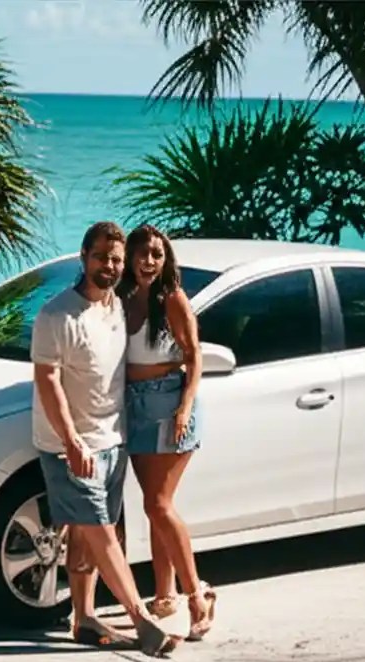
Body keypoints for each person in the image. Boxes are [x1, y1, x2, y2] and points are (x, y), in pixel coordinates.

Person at [31, 220, 183, 658]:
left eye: (116, 260)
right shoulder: (56, 316)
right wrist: (72, 440)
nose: (110, 266)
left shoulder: (117, 307)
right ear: (83, 257)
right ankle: (142, 619)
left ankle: (83, 616)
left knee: (87, 535)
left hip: (112, 438)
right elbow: (48, 382)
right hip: (69, 446)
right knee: (101, 531)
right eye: (101, 257)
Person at [117, 223, 217, 640]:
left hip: (169, 403)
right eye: (143, 253)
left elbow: (195, 358)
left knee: (158, 504)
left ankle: (197, 595)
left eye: (157, 254)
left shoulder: (172, 299)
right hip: (133, 404)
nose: (150, 261)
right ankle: (164, 595)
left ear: (165, 260)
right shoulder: (120, 300)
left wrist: (184, 408)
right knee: (154, 505)